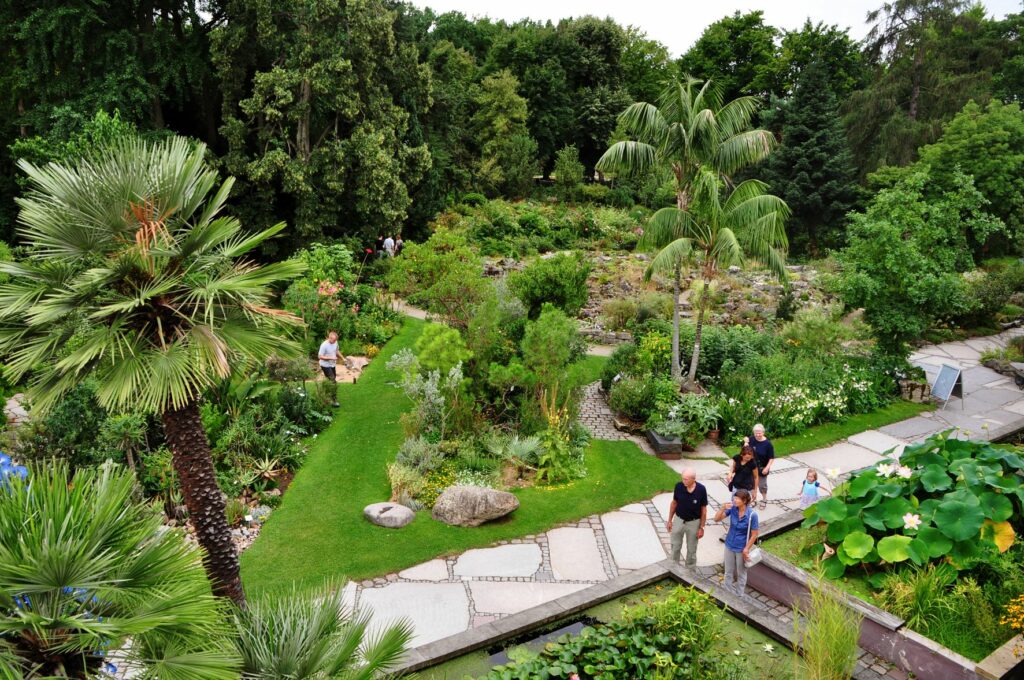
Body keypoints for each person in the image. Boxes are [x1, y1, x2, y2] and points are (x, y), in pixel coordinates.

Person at [714, 489, 759, 597]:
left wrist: (746, 548)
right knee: (728, 571)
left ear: (744, 501)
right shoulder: (733, 509)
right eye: (735, 497)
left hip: (741, 548)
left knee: (741, 573)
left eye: (737, 498)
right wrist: (723, 508)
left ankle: (739, 596)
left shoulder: (752, 515)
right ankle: (727, 593)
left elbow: (754, 534)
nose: (734, 500)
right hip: (729, 544)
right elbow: (716, 519)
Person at [666, 468, 708, 567]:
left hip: (694, 522)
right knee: (675, 546)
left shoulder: (701, 489)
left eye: (686, 479)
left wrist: (702, 527)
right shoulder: (679, 486)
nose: (683, 481)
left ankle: (690, 573)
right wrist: (669, 520)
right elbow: (674, 503)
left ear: (694, 479)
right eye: (683, 478)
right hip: (679, 520)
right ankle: (673, 568)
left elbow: (704, 510)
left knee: (691, 549)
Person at [745, 424, 775, 509]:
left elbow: (771, 458)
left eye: (759, 433)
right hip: (751, 467)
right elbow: (744, 450)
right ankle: (754, 500)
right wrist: (746, 442)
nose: (757, 435)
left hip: (762, 469)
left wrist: (767, 467)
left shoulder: (768, 444)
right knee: (752, 485)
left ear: (763, 432)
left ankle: (764, 499)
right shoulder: (751, 439)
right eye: (756, 433)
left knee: (762, 485)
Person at [317, 331, 342, 407]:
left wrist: (343, 358)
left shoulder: (335, 342)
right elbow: (320, 356)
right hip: (325, 365)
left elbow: (337, 351)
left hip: (332, 365)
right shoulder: (324, 345)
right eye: (333, 340)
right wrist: (331, 357)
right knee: (333, 381)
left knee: (331, 379)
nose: (334, 342)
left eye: (335, 340)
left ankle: (325, 392)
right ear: (329, 338)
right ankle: (334, 401)